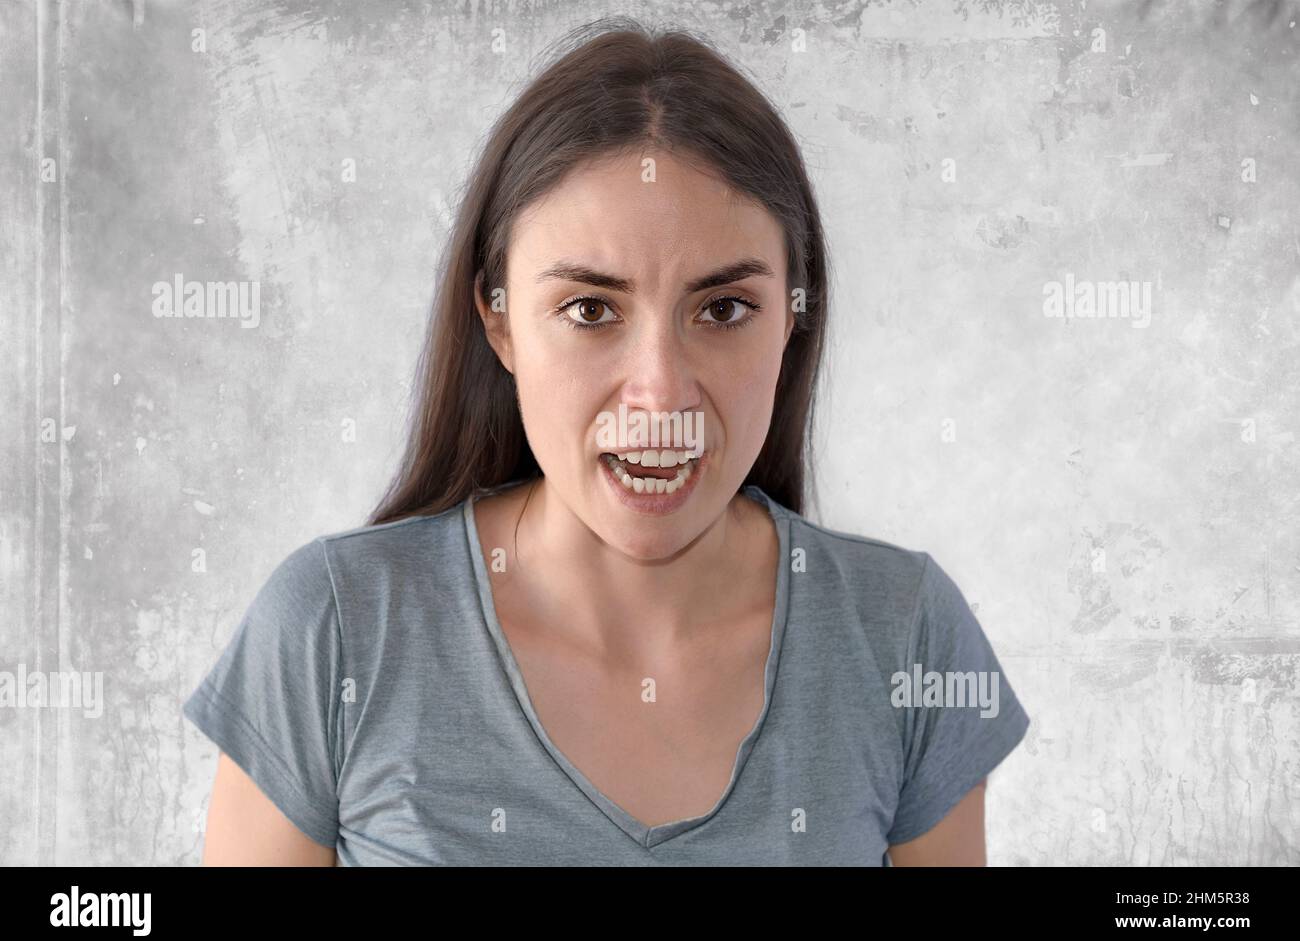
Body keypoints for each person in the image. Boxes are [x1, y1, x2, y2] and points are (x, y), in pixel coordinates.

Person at [183, 16, 1030, 866]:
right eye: (590, 310)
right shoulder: (332, 630)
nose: (659, 392)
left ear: (791, 321)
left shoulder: (907, 633)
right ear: (499, 322)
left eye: (724, 309)